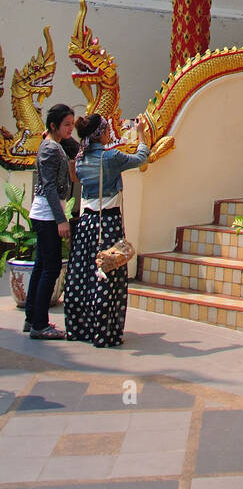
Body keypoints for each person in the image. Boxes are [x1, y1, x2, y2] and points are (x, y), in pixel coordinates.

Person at [63, 114, 150, 348]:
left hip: (86, 223)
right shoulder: (110, 157)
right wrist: (141, 132)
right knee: (108, 272)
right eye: (106, 129)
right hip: (107, 222)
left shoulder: (81, 158)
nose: (109, 132)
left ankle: (80, 326)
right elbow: (142, 157)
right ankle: (104, 330)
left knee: (83, 273)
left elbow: (77, 178)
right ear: (100, 133)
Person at [25, 103, 76, 340]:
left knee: (42, 265)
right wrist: (61, 220)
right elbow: (48, 186)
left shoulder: (55, 145)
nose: (70, 129)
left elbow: (74, 148)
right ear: (54, 126)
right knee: (52, 267)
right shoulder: (49, 149)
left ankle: (31, 318)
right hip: (47, 214)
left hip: (47, 214)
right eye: (66, 125)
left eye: (72, 125)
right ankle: (39, 323)